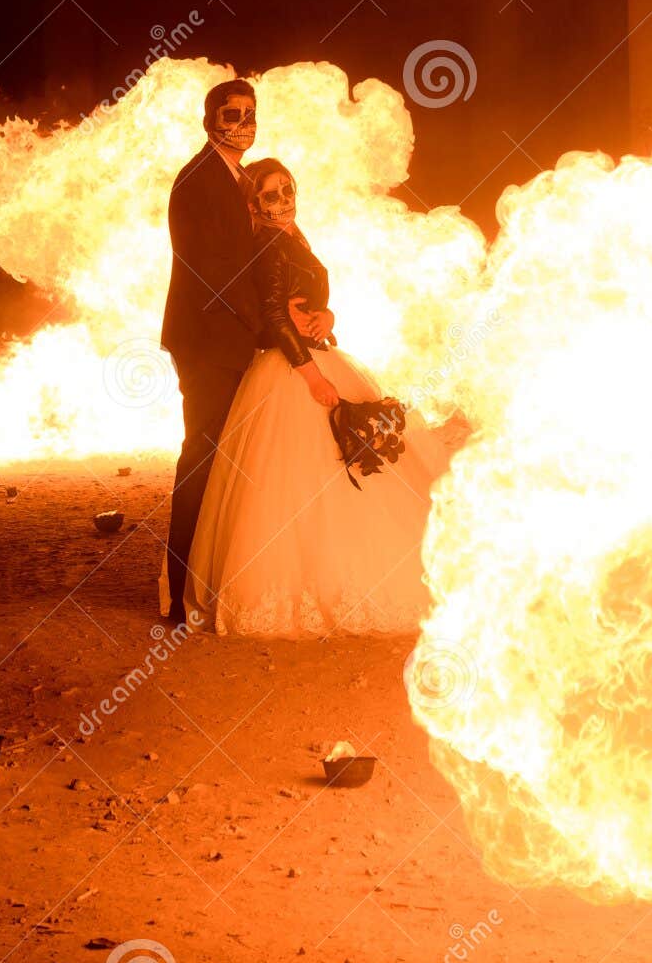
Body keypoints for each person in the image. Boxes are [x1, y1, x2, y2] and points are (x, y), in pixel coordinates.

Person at [185, 158, 454, 638]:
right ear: (253, 204)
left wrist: (327, 316)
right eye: (271, 194)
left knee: (338, 470)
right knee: (301, 479)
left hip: (314, 353)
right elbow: (272, 315)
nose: (284, 199)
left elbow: (301, 304)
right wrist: (311, 377)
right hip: (293, 369)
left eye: (288, 188)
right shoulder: (268, 244)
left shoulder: (292, 237)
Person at [160, 78, 264, 625]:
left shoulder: (244, 179)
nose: (242, 123)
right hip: (207, 344)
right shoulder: (198, 180)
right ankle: (178, 596)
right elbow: (214, 271)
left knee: (230, 463)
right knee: (200, 459)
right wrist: (268, 326)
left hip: (235, 341)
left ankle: (212, 578)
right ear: (209, 120)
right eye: (231, 113)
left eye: (250, 113)